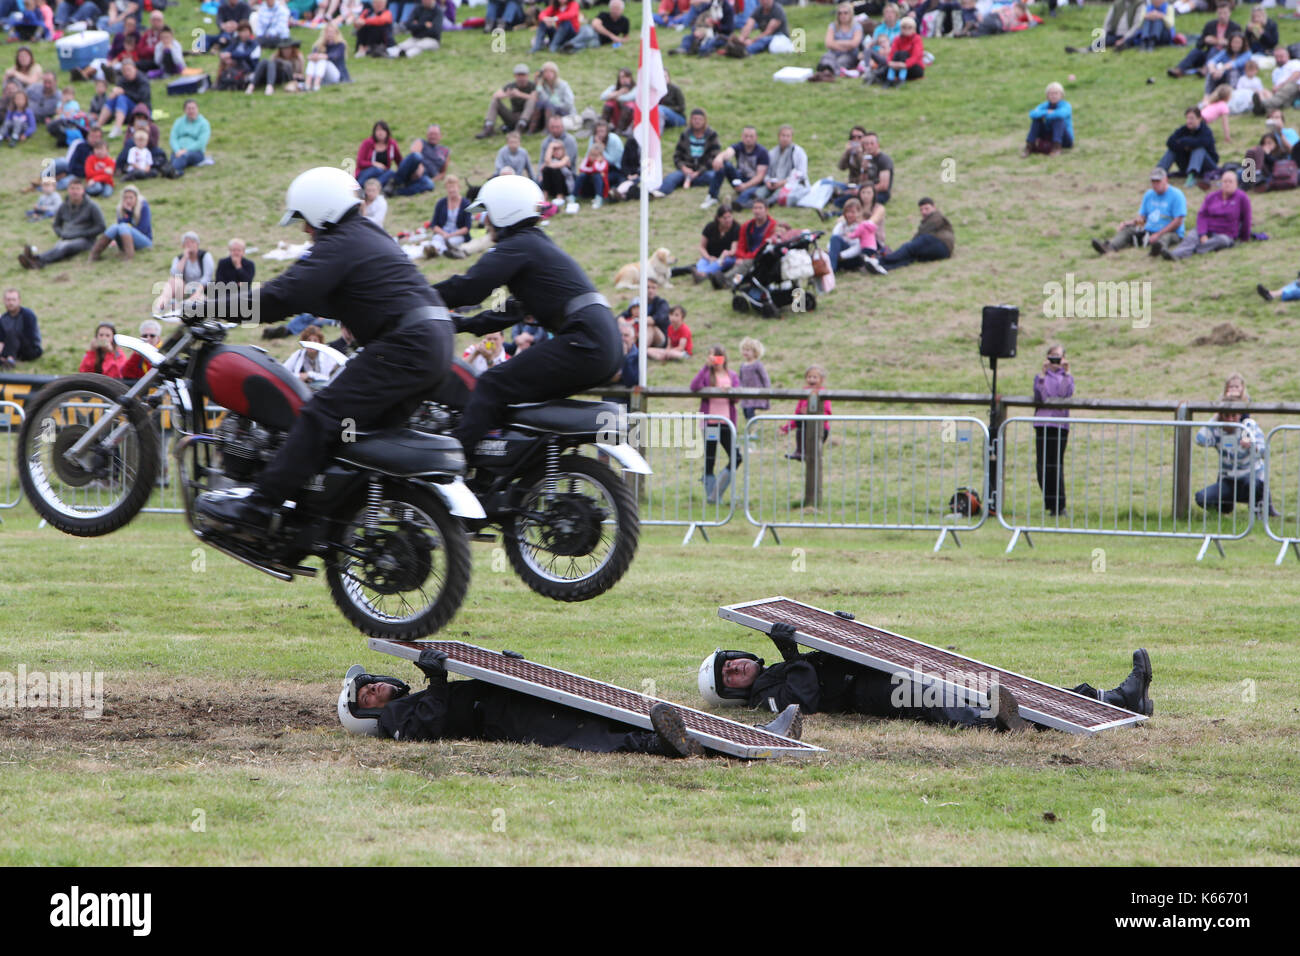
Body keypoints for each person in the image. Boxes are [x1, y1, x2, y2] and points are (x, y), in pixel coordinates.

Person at [194, 167, 454, 531]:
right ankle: (327, 519)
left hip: (406, 345)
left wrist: (210, 307)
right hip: (435, 342)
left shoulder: (340, 243)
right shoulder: (367, 236)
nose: (304, 230)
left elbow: (281, 296)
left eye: (305, 220)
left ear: (321, 211)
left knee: (320, 416)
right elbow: (329, 298)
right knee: (357, 437)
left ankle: (257, 510)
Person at [432, 176, 621, 459]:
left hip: (586, 341)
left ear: (504, 212)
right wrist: (462, 324)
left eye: (488, 215)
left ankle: (449, 465)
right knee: (517, 399)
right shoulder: (535, 245)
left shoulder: (519, 246)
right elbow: (513, 309)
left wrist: (417, 296)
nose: (485, 223)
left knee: (492, 383)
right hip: (603, 342)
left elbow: (469, 287)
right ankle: (512, 472)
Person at [699, 625, 1155, 730]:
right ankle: (1006, 722)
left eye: (731, 662)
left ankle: (1109, 698)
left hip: (878, 668)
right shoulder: (765, 696)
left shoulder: (769, 670)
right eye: (728, 676)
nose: (735, 668)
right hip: (874, 691)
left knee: (981, 683)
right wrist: (793, 652)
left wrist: (839, 631)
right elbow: (805, 698)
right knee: (949, 702)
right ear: (732, 693)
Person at [336, 653, 798, 755]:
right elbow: (432, 725)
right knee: (590, 733)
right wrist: (437, 678)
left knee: (601, 711)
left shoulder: (404, 702)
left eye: (370, 685)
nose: (373, 691)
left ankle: (760, 735)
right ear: (368, 714)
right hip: (503, 719)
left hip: (505, 700)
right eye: (366, 697)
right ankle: (665, 745)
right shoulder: (396, 721)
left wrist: (505, 668)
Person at [1193, 376, 1272, 518]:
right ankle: (1225, 508)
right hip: (1228, 480)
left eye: (1233, 416)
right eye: (1226, 415)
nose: (1230, 420)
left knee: (1255, 485)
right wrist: (1215, 417)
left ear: (1240, 414)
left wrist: (1253, 446)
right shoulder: (1217, 429)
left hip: (1250, 478)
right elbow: (1200, 440)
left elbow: (1265, 452)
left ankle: (1259, 510)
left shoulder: (1249, 426)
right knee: (1201, 497)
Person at [1092, 167, 1186, 257]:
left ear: (1166, 180)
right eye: (1153, 181)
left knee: (1165, 238)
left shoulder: (1177, 195)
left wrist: (1158, 234)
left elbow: (1178, 221)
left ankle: (1158, 249)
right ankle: (1110, 247)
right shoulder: (1148, 195)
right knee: (1127, 231)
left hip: (1172, 232)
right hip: (1149, 230)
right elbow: (1143, 218)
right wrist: (1129, 223)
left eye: (1158, 181)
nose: (1155, 184)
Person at [690, 344, 742, 504]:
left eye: (718, 356)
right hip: (710, 423)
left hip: (726, 423)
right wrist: (705, 367)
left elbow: (738, 397)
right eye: (712, 356)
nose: (715, 360)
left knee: (736, 457)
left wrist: (730, 391)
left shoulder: (732, 375)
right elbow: (694, 387)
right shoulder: (706, 374)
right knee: (710, 459)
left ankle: (715, 492)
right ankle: (712, 497)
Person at [1160, 168, 1249, 259]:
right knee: (1192, 236)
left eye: (1230, 182)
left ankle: (1194, 250)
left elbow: (1246, 218)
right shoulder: (1211, 197)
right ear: (1221, 183)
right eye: (1225, 181)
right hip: (1207, 228)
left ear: (1236, 184)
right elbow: (1202, 215)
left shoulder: (1242, 198)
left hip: (1225, 233)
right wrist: (1202, 234)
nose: (1227, 184)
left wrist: (1244, 238)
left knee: (1223, 241)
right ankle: (1175, 254)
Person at [19, 179, 105, 270]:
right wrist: (61, 233)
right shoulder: (63, 206)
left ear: (83, 190)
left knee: (65, 247)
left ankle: (36, 259)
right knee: (59, 247)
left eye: (78, 189)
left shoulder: (92, 206)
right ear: (68, 190)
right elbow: (56, 225)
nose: (75, 191)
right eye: (72, 188)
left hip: (86, 240)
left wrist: (82, 233)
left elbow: (101, 226)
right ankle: (34, 261)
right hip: (66, 237)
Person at [1033, 344, 1073, 516]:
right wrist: (1043, 374)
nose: (1055, 360)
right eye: (1052, 356)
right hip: (1043, 425)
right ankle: (1049, 503)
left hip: (1059, 425)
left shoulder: (1066, 377)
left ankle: (1060, 505)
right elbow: (1040, 396)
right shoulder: (1041, 376)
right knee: (1042, 466)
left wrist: (1066, 372)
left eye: (1058, 356)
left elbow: (1065, 393)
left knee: (1055, 465)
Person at [867, 197, 953, 273]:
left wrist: (910, 245)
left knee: (908, 248)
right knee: (911, 257)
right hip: (943, 251)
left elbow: (922, 233)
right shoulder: (929, 220)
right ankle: (883, 268)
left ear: (934, 207)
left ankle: (878, 261)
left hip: (941, 244)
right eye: (921, 209)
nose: (924, 212)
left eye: (927, 208)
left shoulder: (936, 216)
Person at [656, 108, 720, 198]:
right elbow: (677, 156)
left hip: (704, 171)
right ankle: (660, 193)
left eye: (700, 119)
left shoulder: (712, 135)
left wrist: (699, 172)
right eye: (694, 119)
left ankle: (688, 181)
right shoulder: (685, 134)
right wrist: (683, 168)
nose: (697, 122)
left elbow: (714, 157)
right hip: (686, 170)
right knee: (670, 178)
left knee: (713, 176)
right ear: (691, 120)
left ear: (704, 121)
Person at [1167, 0, 1238, 79]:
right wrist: (1205, 40)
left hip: (1224, 57)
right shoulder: (1210, 25)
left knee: (1214, 50)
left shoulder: (1235, 28)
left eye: (1225, 13)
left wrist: (1227, 43)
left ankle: (1206, 69)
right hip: (1208, 54)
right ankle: (1179, 69)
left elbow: (1239, 48)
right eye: (1220, 13)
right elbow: (1199, 44)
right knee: (1195, 52)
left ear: (1230, 13)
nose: (1222, 16)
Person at [705, 125, 769, 212]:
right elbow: (728, 152)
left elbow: (760, 177)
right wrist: (719, 157)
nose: (748, 139)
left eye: (751, 136)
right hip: (740, 178)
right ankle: (712, 196)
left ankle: (737, 204)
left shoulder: (762, 152)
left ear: (756, 137)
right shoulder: (739, 146)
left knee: (747, 193)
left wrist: (745, 186)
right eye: (746, 136)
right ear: (742, 137)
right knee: (724, 164)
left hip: (754, 183)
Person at [153, 231, 217, 312]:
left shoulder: (205, 256)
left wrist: (197, 291)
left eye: (192, 242)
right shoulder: (179, 259)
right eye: (187, 243)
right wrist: (184, 258)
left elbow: (207, 277)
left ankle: (183, 305)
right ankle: (160, 305)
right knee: (172, 281)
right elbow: (175, 274)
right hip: (186, 288)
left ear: (197, 244)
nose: (190, 245)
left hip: (203, 289)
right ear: (183, 246)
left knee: (200, 298)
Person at [780, 364, 830, 461]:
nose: (811, 380)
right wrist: (786, 428)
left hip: (820, 429)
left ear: (822, 380)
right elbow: (797, 415)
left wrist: (811, 413)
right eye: (809, 377)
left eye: (815, 377)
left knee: (814, 456)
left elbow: (827, 414)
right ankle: (800, 451)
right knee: (800, 419)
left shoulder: (824, 394)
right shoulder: (803, 394)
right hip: (805, 428)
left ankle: (807, 455)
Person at [90, 184, 151, 261]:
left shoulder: (143, 207)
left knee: (123, 226)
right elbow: (119, 229)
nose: (128, 200)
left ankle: (129, 256)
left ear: (136, 198)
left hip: (144, 241)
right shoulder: (120, 209)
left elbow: (143, 229)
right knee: (114, 227)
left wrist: (129, 213)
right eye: (125, 198)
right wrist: (127, 213)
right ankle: (94, 254)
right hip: (124, 242)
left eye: (131, 197)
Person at [386, 123, 448, 198]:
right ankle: (394, 183)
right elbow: (414, 152)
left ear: (440, 136)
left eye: (435, 134)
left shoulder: (445, 151)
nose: (433, 136)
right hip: (412, 170)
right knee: (416, 156)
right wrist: (419, 166)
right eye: (431, 134)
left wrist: (433, 180)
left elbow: (443, 172)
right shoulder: (421, 142)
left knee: (429, 184)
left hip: (424, 177)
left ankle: (397, 192)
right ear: (427, 135)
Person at [476, 62, 536, 140]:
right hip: (514, 117)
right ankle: (488, 127)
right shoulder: (511, 86)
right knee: (495, 101)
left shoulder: (533, 86)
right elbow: (495, 95)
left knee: (531, 101)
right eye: (519, 75)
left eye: (523, 75)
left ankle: (521, 127)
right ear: (515, 76)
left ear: (527, 76)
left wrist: (519, 94)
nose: (521, 78)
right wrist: (507, 94)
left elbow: (536, 98)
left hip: (529, 119)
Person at [756, 124, 808, 207]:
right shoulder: (772, 152)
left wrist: (783, 182)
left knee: (778, 194)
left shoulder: (798, 152)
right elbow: (767, 172)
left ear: (792, 137)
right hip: (773, 183)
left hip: (789, 184)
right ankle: (753, 203)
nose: (785, 138)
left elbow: (801, 173)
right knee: (759, 192)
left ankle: (768, 203)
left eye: (788, 136)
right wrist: (768, 181)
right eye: (783, 135)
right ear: (778, 136)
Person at [98, 59, 151, 141]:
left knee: (122, 98)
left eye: (128, 70)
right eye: (124, 70)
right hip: (127, 116)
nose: (127, 73)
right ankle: (97, 126)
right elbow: (116, 94)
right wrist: (113, 94)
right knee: (116, 97)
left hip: (142, 117)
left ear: (135, 68)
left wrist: (124, 92)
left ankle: (117, 128)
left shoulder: (143, 81)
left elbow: (142, 100)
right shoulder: (122, 80)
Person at [282, 325, 344, 389]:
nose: (312, 344)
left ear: (320, 342)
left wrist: (309, 375)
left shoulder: (327, 354)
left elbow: (328, 378)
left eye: (315, 340)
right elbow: (284, 371)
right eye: (309, 340)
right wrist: (299, 376)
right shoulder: (298, 354)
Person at [1022, 81, 1074, 156]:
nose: (1053, 96)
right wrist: (1046, 112)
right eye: (1051, 93)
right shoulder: (1044, 106)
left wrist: (1046, 114)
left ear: (1061, 95)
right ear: (1047, 96)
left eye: (1056, 93)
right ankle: (1030, 146)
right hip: (1049, 136)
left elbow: (1061, 114)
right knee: (1037, 120)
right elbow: (1032, 114)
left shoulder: (1066, 105)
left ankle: (1057, 147)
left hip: (1065, 139)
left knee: (1058, 119)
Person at [425, 174, 470, 257]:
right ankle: (434, 250)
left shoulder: (466, 204)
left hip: (458, 234)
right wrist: (444, 233)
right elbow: (433, 225)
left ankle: (438, 251)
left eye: (453, 187)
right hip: (443, 233)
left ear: (458, 187)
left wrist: (451, 235)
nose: (451, 190)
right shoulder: (441, 203)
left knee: (451, 242)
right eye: (449, 188)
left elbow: (467, 228)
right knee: (437, 239)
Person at [164, 100, 211, 180]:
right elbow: (173, 138)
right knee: (175, 157)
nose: (191, 111)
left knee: (184, 157)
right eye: (189, 109)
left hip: (196, 152)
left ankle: (171, 170)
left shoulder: (204, 124)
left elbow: (201, 143)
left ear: (197, 109)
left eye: (193, 108)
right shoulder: (178, 122)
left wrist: (185, 150)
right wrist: (177, 150)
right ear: (185, 110)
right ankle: (175, 171)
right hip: (178, 151)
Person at [815, 3, 863, 79]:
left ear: (850, 14)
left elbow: (854, 44)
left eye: (845, 13)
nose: (842, 15)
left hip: (850, 54)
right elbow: (828, 43)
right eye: (840, 13)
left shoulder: (857, 26)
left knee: (841, 61)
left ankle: (828, 72)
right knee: (826, 58)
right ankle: (826, 71)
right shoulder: (833, 25)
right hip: (834, 52)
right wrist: (846, 45)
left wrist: (836, 42)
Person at [693, 204, 739, 282]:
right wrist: (709, 257)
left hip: (726, 258)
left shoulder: (736, 228)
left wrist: (726, 254)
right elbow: (702, 247)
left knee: (724, 261)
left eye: (729, 217)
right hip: (710, 257)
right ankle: (703, 272)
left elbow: (734, 250)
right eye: (724, 218)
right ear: (718, 218)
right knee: (701, 263)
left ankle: (703, 274)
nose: (728, 220)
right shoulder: (710, 227)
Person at [0, 288, 43, 368]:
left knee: (12, 332)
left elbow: (31, 338)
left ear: (19, 301)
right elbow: (1, 340)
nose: (11, 303)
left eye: (13, 300)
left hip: (30, 348)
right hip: (12, 348)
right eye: (8, 300)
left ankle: (10, 359)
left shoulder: (28, 315)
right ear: (4, 301)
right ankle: (6, 359)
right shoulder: (3, 318)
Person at [214, 238, 255, 319]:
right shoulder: (223, 263)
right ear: (230, 251)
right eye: (233, 250)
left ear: (243, 252)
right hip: (224, 295)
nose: (236, 253)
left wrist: (238, 267)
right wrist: (236, 285)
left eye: (239, 250)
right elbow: (219, 282)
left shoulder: (249, 264)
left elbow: (247, 283)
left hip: (242, 296)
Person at [354, 120, 401, 188]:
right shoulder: (367, 143)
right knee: (377, 170)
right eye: (378, 130)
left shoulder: (392, 144)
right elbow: (360, 162)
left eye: (383, 130)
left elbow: (399, 160)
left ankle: (373, 189)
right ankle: (358, 187)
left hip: (383, 173)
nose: (380, 133)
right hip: (366, 172)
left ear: (387, 132)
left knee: (391, 173)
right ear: (374, 132)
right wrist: (374, 164)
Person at [736, 336, 771, 428]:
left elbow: (765, 377)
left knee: (750, 411)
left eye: (748, 350)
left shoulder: (757, 364)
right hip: (745, 394)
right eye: (744, 349)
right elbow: (740, 378)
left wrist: (767, 391)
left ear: (755, 352)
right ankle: (749, 429)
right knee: (745, 411)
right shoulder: (743, 365)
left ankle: (754, 430)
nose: (745, 352)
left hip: (755, 394)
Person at [880, 15, 922, 87]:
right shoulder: (897, 39)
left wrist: (904, 65)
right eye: (904, 27)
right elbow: (892, 54)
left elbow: (916, 56)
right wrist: (890, 63)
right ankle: (889, 79)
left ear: (914, 29)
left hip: (913, 67)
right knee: (889, 63)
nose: (906, 30)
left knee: (903, 54)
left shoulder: (917, 39)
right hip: (897, 65)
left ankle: (899, 79)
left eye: (909, 28)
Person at [304, 22, 349, 89]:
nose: (329, 34)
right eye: (327, 32)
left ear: (336, 33)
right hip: (322, 75)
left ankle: (316, 85)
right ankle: (307, 84)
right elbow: (312, 55)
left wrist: (321, 56)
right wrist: (313, 57)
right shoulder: (319, 45)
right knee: (313, 61)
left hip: (337, 75)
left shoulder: (340, 45)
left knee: (323, 61)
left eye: (331, 32)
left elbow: (334, 56)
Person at [120, 318, 162, 383]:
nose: (148, 338)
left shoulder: (163, 352)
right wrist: (137, 354)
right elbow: (125, 374)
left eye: (152, 336)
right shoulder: (139, 353)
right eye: (145, 336)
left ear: (158, 337)